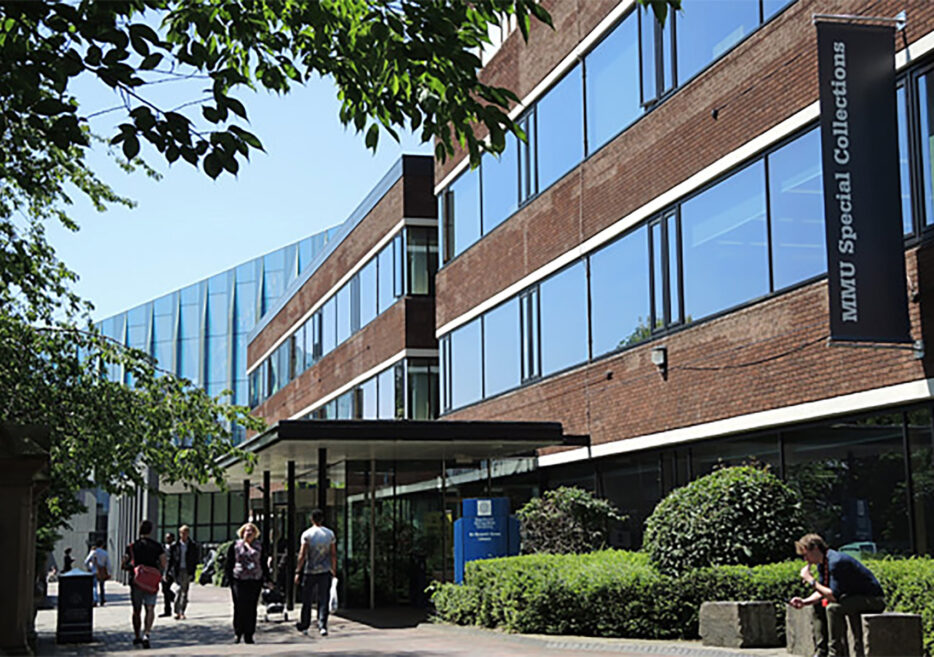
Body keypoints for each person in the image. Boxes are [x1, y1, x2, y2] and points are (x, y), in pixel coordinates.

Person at [789, 533, 886, 657]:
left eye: (806, 555)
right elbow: (823, 591)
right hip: (852, 598)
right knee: (818, 606)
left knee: (833, 608)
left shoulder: (836, 562)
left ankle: (835, 653)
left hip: (873, 600)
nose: (805, 559)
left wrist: (811, 580)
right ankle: (821, 651)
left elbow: (833, 596)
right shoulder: (822, 563)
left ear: (815, 549)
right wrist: (804, 601)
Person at [122, 520, 167, 649]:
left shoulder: (132, 546)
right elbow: (163, 563)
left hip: (137, 581)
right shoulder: (157, 546)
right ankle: (147, 633)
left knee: (136, 610)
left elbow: (124, 563)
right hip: (151, 581)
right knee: (150, 608)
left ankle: (137, 635)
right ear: (150, 530)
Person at [224, 522, 270, 644]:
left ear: (255, 534)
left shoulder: (259, 546)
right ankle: (238, 632)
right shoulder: (235, 545)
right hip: (239, 579)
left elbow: (263, 563)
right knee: (239, 606)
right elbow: (229, 562)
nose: (249, 533)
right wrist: (228, 578)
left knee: (251, 607)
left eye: (251, 531)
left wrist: (267, 579)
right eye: (246, 531)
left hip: (255, 579)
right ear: (242, 533)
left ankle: (249, 634)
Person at [295, 508, 337, 637]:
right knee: (323, 598)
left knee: (307, 599)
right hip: (325, 570)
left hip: (310, 570)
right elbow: (333, 554)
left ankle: (305, 624)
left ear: (311, 519)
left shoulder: (307, 534)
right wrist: (334, 569)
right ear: (322, 519)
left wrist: (298, 571)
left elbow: (302, 554)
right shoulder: (330, 534)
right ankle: (322, 624)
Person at [169, 525, 200, 620]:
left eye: (185, 533)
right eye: (182, 533)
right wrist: (168, 572)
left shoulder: (192, 545)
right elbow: (170, 559)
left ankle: (182, 611)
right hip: (177, 570)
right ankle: (176, 611)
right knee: (178, 591)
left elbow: (195, 559)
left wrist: (193, 572)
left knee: (184, 592)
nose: (183, 535)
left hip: (187, 570)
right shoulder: (175, 545)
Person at [83, 539, 111, 606]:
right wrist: (109, 572)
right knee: (102, 586)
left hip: (94, 570)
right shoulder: (105, 553)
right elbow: (108, 564)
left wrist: (90, 567)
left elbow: (86, 561)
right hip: (102, 571)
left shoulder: (93, 552)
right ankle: (102, 599)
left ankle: (95, 600)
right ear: (102, 545)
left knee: (94, 586)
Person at [159, 532, 175, 618]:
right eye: (166, 538)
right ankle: (167, 610)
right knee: (165, 590)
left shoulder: (175, 547)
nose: (167, 539)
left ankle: (175, 599)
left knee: (166, 589)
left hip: (172, 572)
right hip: (164, 571)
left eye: (169, 538)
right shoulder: (163, 547)